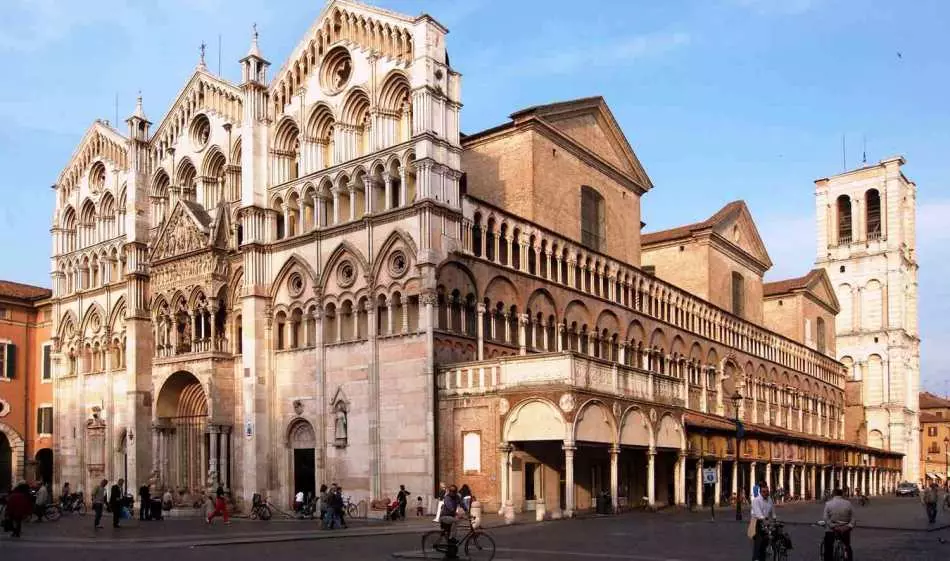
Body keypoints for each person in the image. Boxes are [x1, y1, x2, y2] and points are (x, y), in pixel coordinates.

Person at [822, 488, 854, 561]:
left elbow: (825, 518)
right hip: (845, 528)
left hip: (832, 529)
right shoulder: (848, 503)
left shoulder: (828, 504)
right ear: (842, 494)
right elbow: (853, 517)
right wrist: (849, 526)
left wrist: (833, 526)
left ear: (833, 494)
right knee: (847, 546)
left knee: (828, 547)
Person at [439, 485, 470, 560]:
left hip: (451, 517)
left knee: (455, 523)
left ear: (456, 492)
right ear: (449, 491)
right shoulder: (447, 498)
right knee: (456, 520)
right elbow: (451, 508)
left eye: (454, 491)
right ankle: (451, 538)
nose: (452, 493)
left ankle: (451, 553)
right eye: (451, 491)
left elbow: (462, 504)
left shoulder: (457, 497)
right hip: (444, 517)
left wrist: (467, 512)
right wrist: (458, 515)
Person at [750, 485, 775, 561]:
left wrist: (774, 518)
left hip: (766, 520)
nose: (766, 493)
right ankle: (756, 558)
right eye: (764, 491)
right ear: (760, 492)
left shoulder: (770, 499)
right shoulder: (756, 500)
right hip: (757, 521)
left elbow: (772, 511)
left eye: (767, 491)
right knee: (759, 542)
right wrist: (764, 520)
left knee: (766, 541)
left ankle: (763, 557)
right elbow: (758, 514)